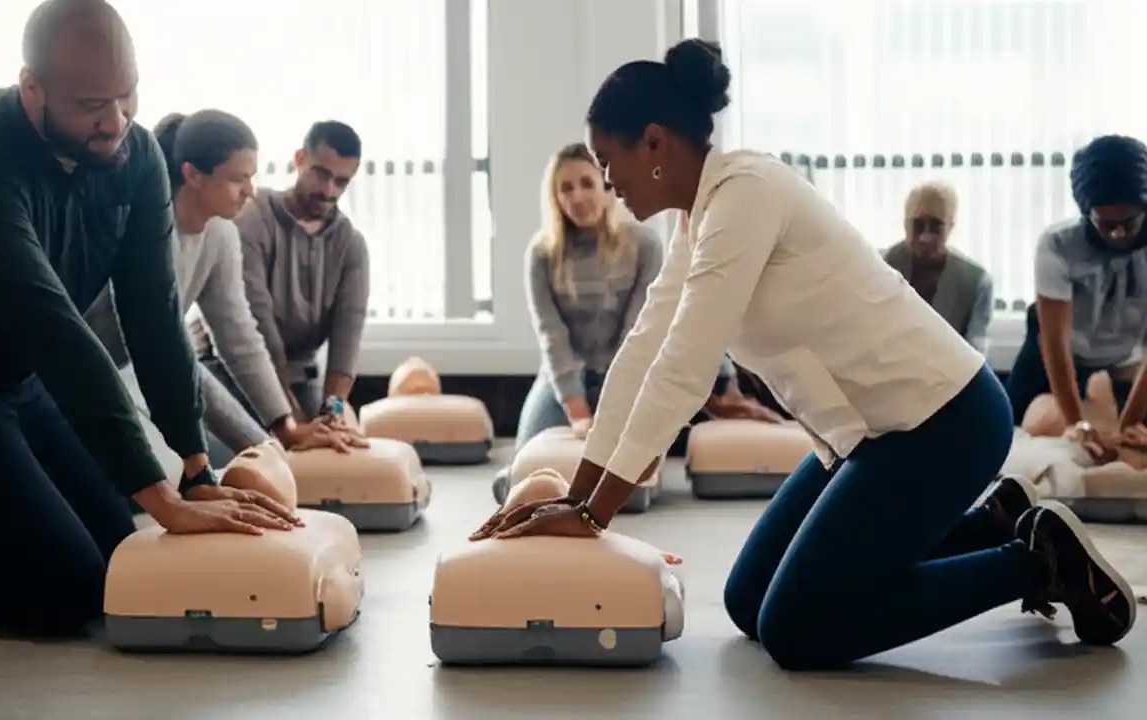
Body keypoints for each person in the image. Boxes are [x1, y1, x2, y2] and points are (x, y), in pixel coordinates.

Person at [472, 39, 1136, 670]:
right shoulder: (697, 220)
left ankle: (1039, 561)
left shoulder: (747, 193)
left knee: (799, 628)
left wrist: (591, 516)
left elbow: (682, 368)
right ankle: (991, 520)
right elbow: (642, 350)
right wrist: (576, 496)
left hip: (944, 424)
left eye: (607, 159)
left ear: (653, 141)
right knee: (749, 601)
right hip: (868, 438)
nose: (608, 180)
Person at [0, 0, 297, 637]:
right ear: (31, 89)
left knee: (114, 552)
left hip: (13, 379)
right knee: (67, 593)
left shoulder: (138, 156)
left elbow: (155, 316)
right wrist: (164, 501)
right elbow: (51, 326)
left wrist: (193, 468)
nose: (114, 123)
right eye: (92, 105)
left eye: (127, 99)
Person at [84, 109, 359, 458]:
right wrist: (261, 446)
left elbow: (239, 337)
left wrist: (282, 432)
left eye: (252, 178)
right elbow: (167, 354)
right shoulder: (146, 229)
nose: (249, 191)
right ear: (193, 175)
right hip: (83, 380)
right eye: (237, 179)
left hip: (135, 376)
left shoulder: (221, 234)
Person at [519, 143, 777, 446]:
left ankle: (726, 397)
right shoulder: (541, 254)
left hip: (628, 370)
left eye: (586, 184)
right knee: (528, 450)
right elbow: (552, 336)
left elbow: (639, 331)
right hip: (567, 378)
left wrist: (616, 404)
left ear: (605, 185)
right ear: (556, 198)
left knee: (635, 446)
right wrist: (576, 411)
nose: (577, 196)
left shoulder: (644, 244)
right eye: (566, 188)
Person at [199, 120, 369, 427]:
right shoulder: (251, 218)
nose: (329, 190)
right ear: (300, 159)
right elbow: (256, 329)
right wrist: (292, 424)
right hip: (228, 369)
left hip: (300, 377)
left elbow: (348, 337)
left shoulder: (351, 245)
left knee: (342, 443)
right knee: (270, 451)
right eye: (321, 174)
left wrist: (332, 413)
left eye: (341, 182)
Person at [1005, 134, 1147, 459]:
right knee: (1017, 435)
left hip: (1122, 354)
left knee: (1128, 442)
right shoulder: (1057, 245)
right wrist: (1076, 424)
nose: (1119, 234)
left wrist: (1131, 421)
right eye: (1106, 224)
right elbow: (1055, 342)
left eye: (1129, 222)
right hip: (1055, 355)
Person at [882, 181, 993, 353]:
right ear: (905, 224)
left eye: (936, 227)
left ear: (950, 227)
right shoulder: (880, 268)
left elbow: (975, 354)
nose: (925, 237)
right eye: (917, 225)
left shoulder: (976, 282)